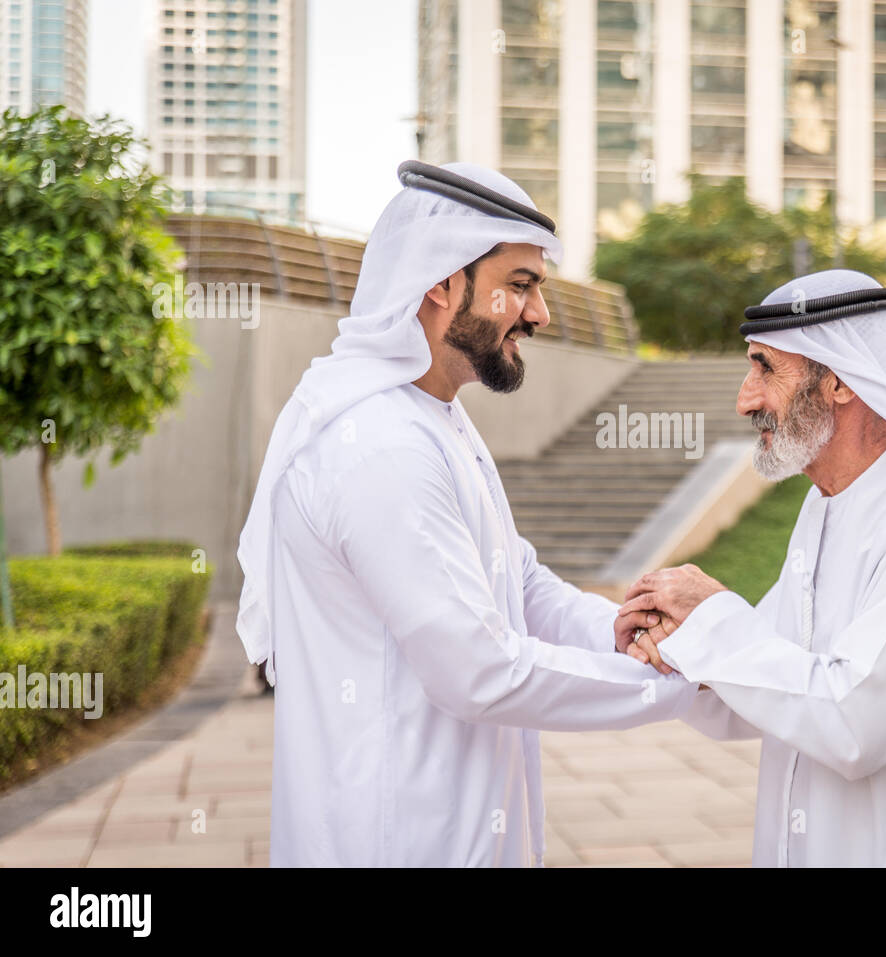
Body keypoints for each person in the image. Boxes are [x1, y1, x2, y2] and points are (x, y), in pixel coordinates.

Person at [235, 162, 696, 867]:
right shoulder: (379, 444)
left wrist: (615, 626)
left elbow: (515, 574)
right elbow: (478, 668)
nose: (540, 314)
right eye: (519, 286)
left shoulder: (431, 417)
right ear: (443, 284)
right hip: (398, 839)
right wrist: (671, 682)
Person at [618, 269, 886, 867]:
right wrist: (672, 644)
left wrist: (711, 619)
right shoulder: (825, 506)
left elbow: (857, 725)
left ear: (840, 382)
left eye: (765, 368)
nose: (745, 398)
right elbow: (771, 681)